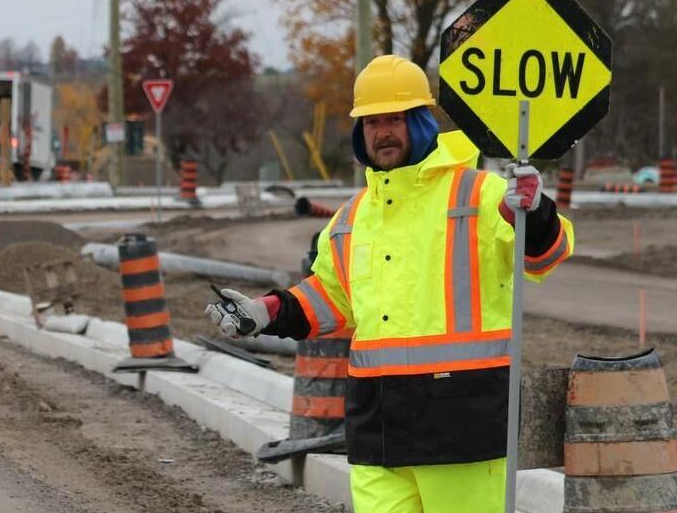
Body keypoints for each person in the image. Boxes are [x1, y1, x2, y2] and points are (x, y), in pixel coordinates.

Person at [206, 55, 574, 513]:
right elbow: (330, 298)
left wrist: (534, 210)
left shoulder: (479, 193)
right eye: (372, 122)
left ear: (420, 122)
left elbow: (546, 255)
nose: (383, 132)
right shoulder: (352, 217)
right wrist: (266, 312)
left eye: (395, 119)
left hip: (461, 424)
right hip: (377, 424)